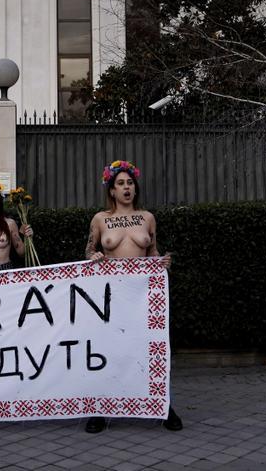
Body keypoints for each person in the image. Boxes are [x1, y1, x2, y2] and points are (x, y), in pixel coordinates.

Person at [84, 160, 181, 434]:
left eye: (130, 183)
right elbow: (88, 252)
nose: (126, 188)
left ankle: (163, 404)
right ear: (112, 191)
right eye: (120, 184)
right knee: (109, 350)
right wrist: (95, 256)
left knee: (150, 350)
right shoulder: (100, 219)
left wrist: (162, 262)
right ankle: (101, 408)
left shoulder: (147, 218)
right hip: (111, 296)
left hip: (142, 297)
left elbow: (153, 254)